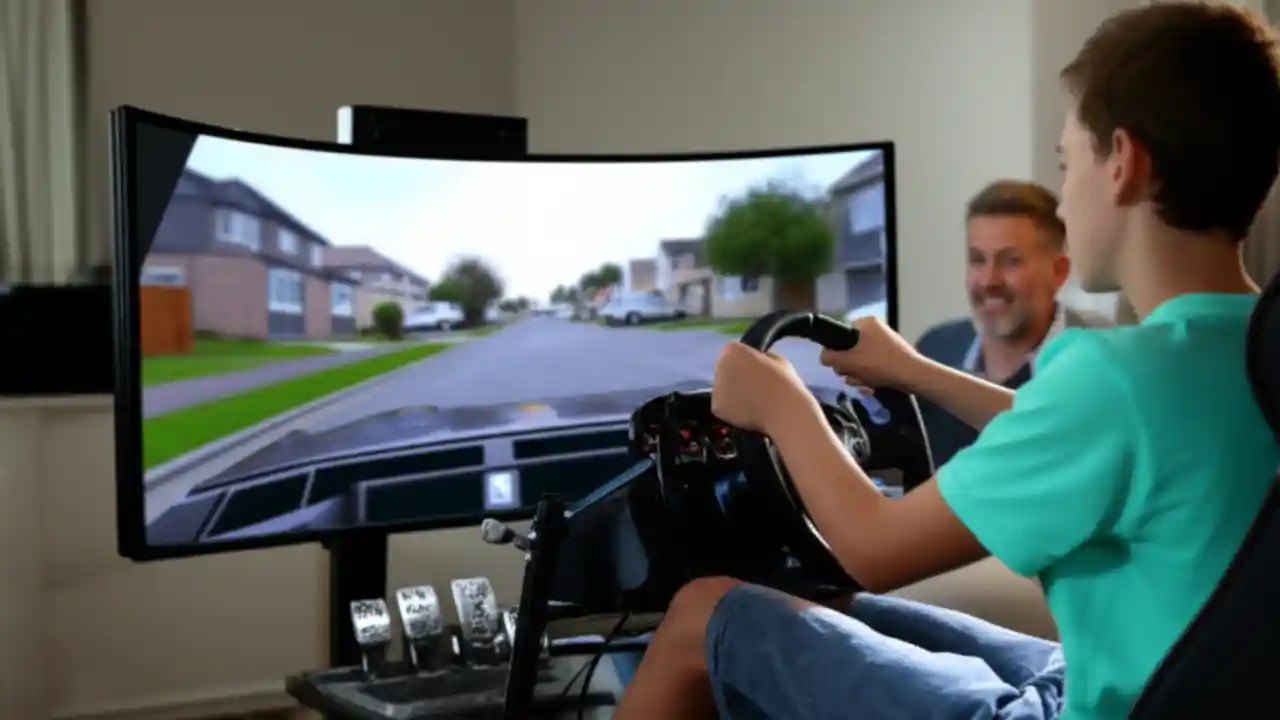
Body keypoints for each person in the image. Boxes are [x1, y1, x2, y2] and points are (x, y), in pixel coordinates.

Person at [613, 4, 1280, 719]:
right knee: (826, 607)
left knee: (702, 611)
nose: (1065, 189)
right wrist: (915, 371)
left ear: (1122, 162)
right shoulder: (1251, 348)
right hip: (1140, 679)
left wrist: (779, 401)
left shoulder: (1116, 375)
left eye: (1067, 163)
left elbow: (876, 546)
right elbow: (1085, 435)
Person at [916, 180, 1112, 466]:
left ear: (1058, 272)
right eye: (977, 260)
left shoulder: (1099, 362)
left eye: (1011, 261)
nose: (989, 281)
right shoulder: (934, 351)